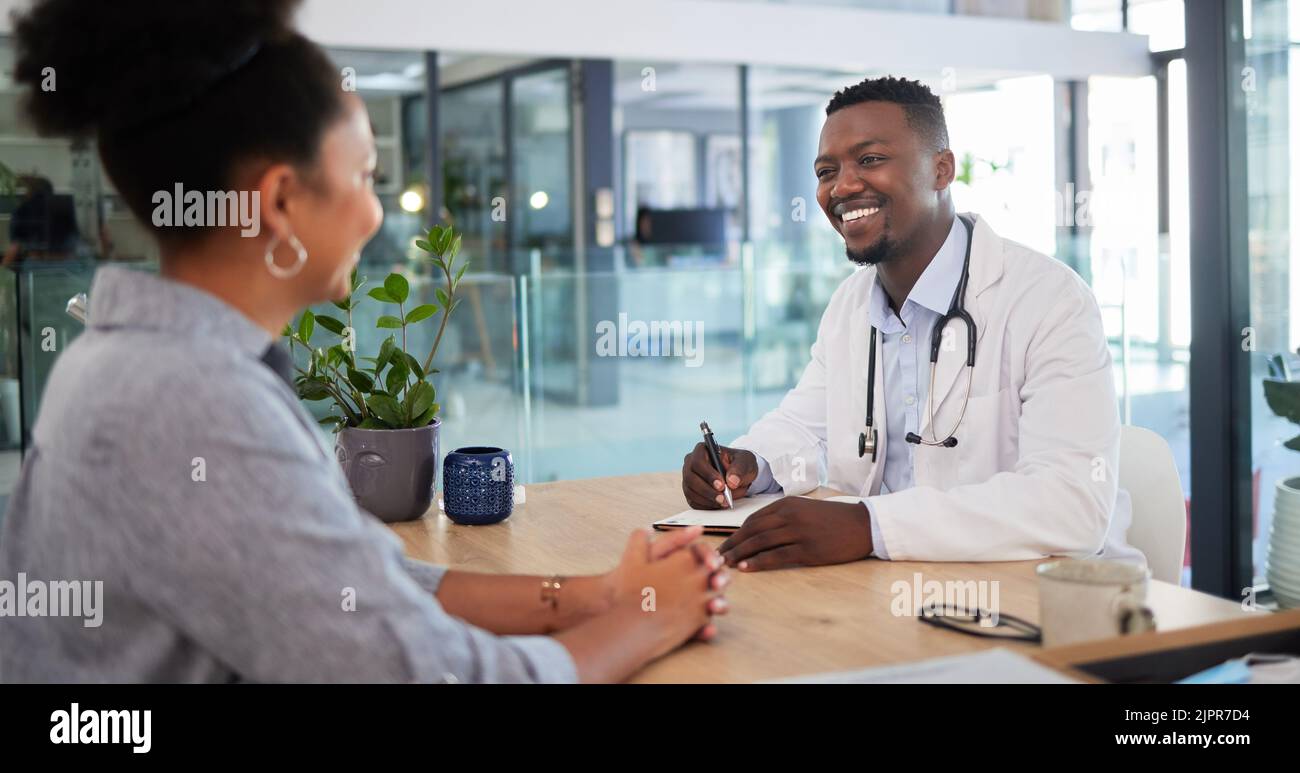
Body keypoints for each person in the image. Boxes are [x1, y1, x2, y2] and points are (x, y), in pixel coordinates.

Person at [0, 0, 728, 684]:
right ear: (281, 201)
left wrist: (595, 594)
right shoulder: (190, 400)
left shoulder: (129, 358)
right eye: (366, 175)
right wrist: (648, 619)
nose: (378, 212)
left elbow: (358, 584)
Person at [681, 76, 1143, 572]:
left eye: (871, 160)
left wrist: (870, 526)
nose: (842, 186)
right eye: (826, 170)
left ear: (942, 169)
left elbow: (1072, 504)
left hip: (1047, 599)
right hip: (895, 588)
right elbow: (806, 427)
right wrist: (748, 464)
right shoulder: (850, 305)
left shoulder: (1049, 300)